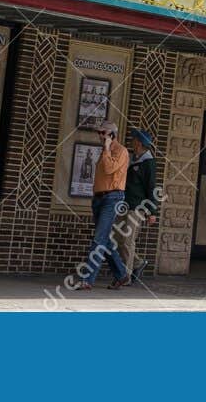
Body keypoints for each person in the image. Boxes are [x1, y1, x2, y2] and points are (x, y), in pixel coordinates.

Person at [76, 121, 131, 290]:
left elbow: (108, 170)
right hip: (99, 198)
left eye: (103, 133)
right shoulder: (104, 151)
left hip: (112, 198)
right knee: (104, 240)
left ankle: (87, 280)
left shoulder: (121, 151)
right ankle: (122, 275)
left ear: (112, 134)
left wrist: (107, 148)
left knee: (98, 239)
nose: (100, 136)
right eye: (99, 133)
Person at [114, 127, 159, 284]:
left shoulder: (148, 163)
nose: (132, 141)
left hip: (137, 208)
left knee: (127, 241)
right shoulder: (132, 158)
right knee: (118, 239)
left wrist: (152, 211)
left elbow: (151, 187)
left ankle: (124, 277)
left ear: (139, 143)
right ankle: (138, 263)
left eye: (134, 139)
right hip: (124, 205)